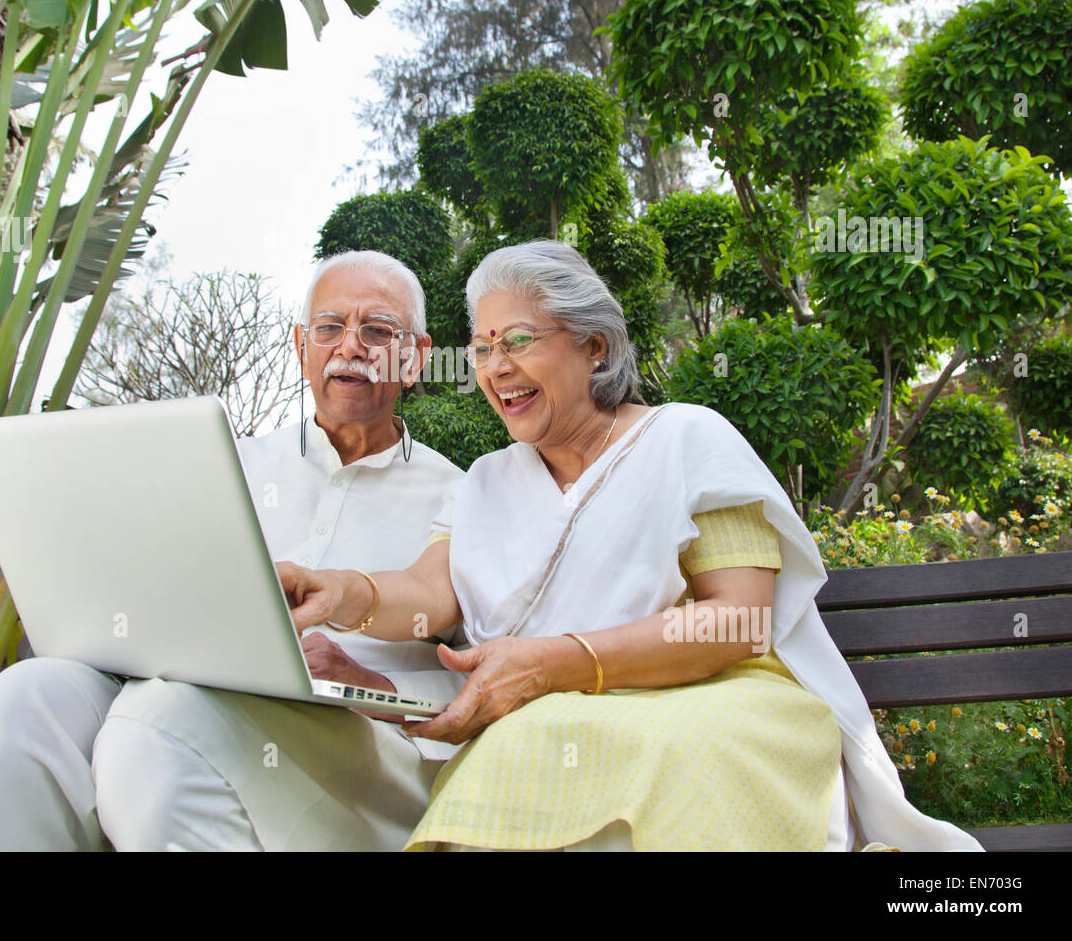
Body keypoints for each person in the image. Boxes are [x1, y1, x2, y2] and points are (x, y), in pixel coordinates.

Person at [280, 240, 985, 852]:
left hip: (713, 698)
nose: (496, 367)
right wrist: (343, 592)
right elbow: (429, 596)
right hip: (553, 719)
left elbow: (736, 618)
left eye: (519, 340)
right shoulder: (485, 485)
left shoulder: (685, 438)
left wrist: (559, 664)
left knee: (598, 758)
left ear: (595, 345)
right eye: (484, 348)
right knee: (532, 749)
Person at [0, 250, 466, 851]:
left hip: (358, 747)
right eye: (329, 327)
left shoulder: (458, 497)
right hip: (169, 689)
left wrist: (368, 685)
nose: (349, 346)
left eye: (378, 331)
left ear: (414, 358)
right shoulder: (221, 465)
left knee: (159, 728)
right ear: (300, 346)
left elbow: (476, 682)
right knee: (15, 706)